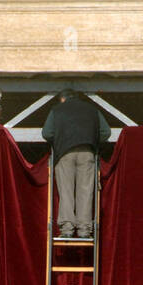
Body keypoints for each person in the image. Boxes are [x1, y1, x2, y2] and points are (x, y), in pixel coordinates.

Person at [42, 87, 111, 238]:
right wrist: (92, 140)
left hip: (65, 154)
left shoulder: (57, 110)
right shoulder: (93, 110)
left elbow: (46, 133)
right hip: (87, 152)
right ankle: (84, 230)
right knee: (85, 191)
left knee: (66, 191)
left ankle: (67, 229)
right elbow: (106, 133)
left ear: (62, 99)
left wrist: (60, 139)